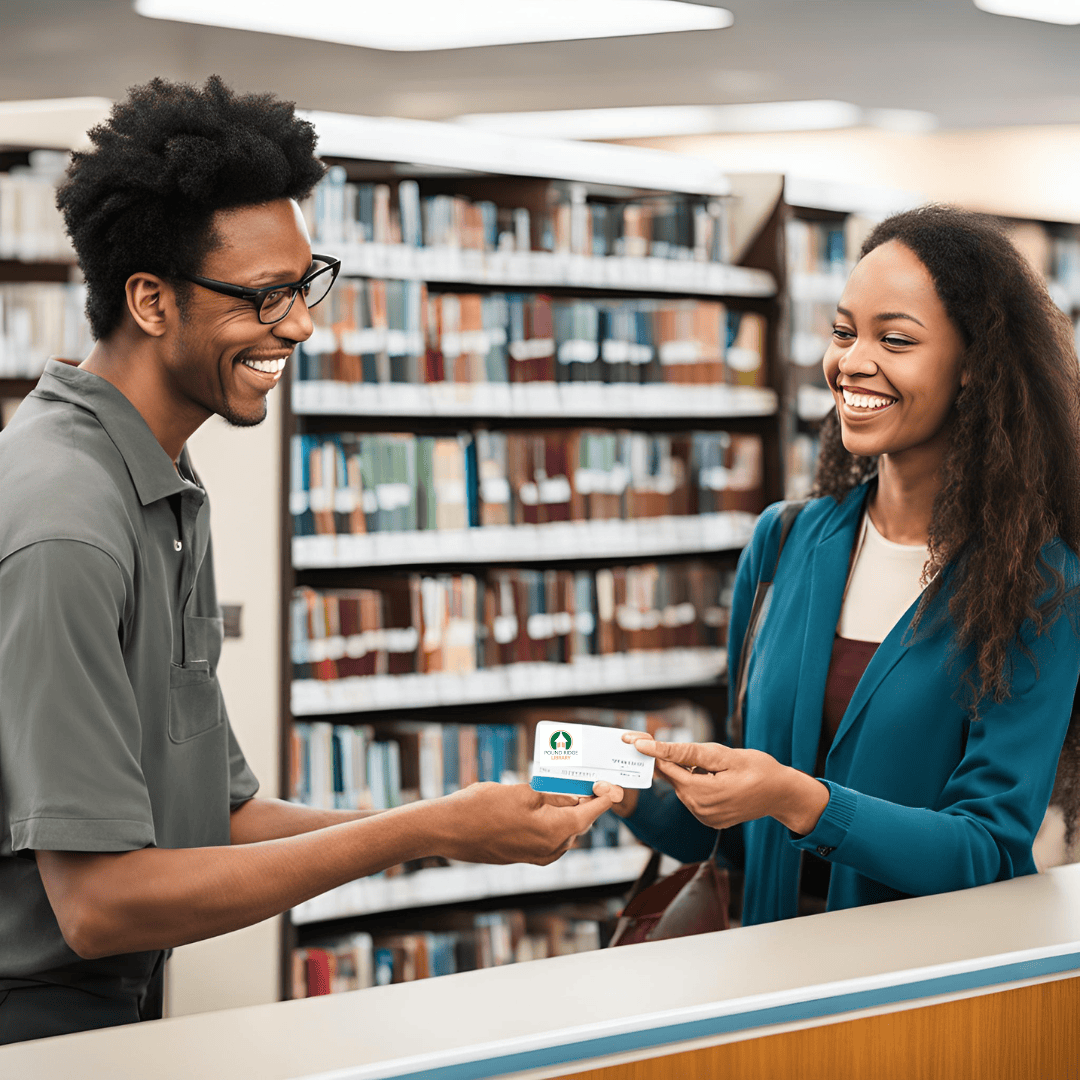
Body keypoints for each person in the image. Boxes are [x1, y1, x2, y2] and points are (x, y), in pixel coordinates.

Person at [0, 76, 617, 1044]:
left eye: (305, 284)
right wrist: (424, 831)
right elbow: (100, 905)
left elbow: (221, 819)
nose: (300, 324)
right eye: (265, 296)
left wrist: (452, 825)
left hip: (107, 1003)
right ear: (151, 301)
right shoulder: (67, 523)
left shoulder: (159, 481)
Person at [600, 205, 1080, 925]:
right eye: (844, 332)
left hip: (917, 978)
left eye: (895, 339)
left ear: (974, 366)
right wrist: (628, 786)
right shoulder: (784, 543)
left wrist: (800, 800)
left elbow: (985, 850)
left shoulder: (1037, 586)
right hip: (770, 969)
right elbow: (734, 840)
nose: (852, 362)